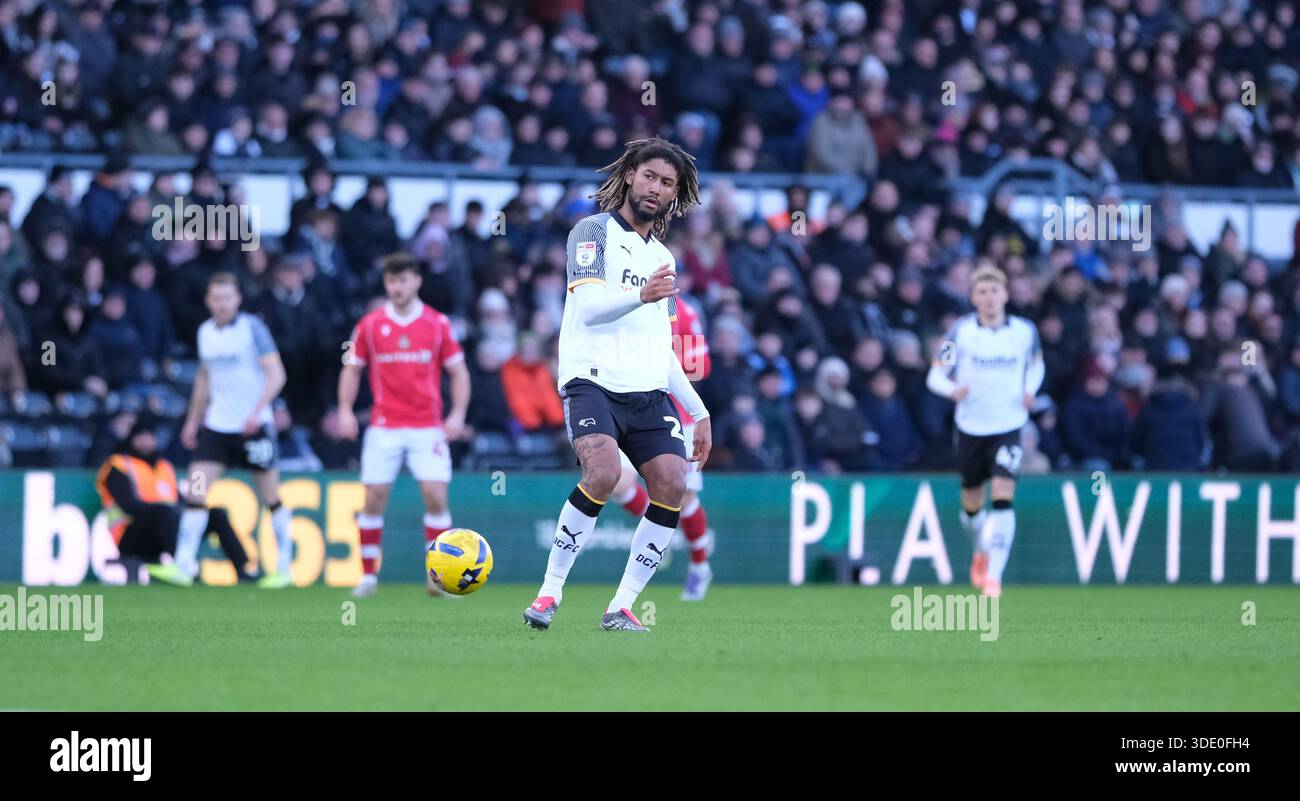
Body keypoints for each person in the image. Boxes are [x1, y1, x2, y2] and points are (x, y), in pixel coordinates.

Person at [523, 137, 711, 633]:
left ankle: (621, 606)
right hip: (593, 383)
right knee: (603, 472)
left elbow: (662, 348)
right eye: (649, 175)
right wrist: (640, 295)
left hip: (648, 392)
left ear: (675, 194)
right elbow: (587, 309)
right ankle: (548, 594)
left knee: (673, 483)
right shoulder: (592, 232)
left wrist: (699, 411)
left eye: (667, 182)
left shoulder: (664, 259)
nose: (656, 187)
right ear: (629, 175)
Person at [337, 253, 471, 598]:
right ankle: (367, 576)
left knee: (435, 494)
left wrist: (456, 414)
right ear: (386, 284)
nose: (397, 287)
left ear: (417, 281)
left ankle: (438, 576)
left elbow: (459, 372)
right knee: (373, 498)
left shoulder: (438, 323)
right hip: (383, 426)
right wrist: (344, 410)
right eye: (392, 281)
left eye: (403, 280)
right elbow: (351, 369)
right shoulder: (369, 324)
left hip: (427, 426)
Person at [926, 264, 1043, 598]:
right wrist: (952, 390)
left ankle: (994, 576)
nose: (989, 298)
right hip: (971, 427)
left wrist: (1029, 390)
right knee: (972, 507)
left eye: (995, 291)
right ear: (973, 297)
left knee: (1004, 498)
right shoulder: (959, 332)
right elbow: (935, 374)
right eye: (982, 292)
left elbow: (1036, 365)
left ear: (1005, 294)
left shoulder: (1024, 332)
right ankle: (980, 549)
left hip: (1008, 425)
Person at [177, 273, 293, 588]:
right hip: (217, 426)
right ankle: (183, 564)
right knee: (196, 489)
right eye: (217, 298)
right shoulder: (205, 333)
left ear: (238, 298)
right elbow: (204, 379)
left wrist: (257, 413)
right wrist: (192, 420)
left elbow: (276, 374)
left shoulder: (252, 329)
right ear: (208, 301)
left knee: (271, 496)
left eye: (228, 297)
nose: (223, 303)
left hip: (254, 427)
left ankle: (284, 568)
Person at [95, 418, 254, 586]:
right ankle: (183, 568)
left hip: (168, 527)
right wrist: (166, 511)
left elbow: (179, 500)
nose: (146, 441)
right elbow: (130, 506)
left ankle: (243, 569)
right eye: (140, 436)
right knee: (166, 513)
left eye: (150, 436)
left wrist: (193, 511)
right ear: (131, 439)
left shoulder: (165, 467)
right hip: (130, 536)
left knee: (215, 514)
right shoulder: (119, 465)